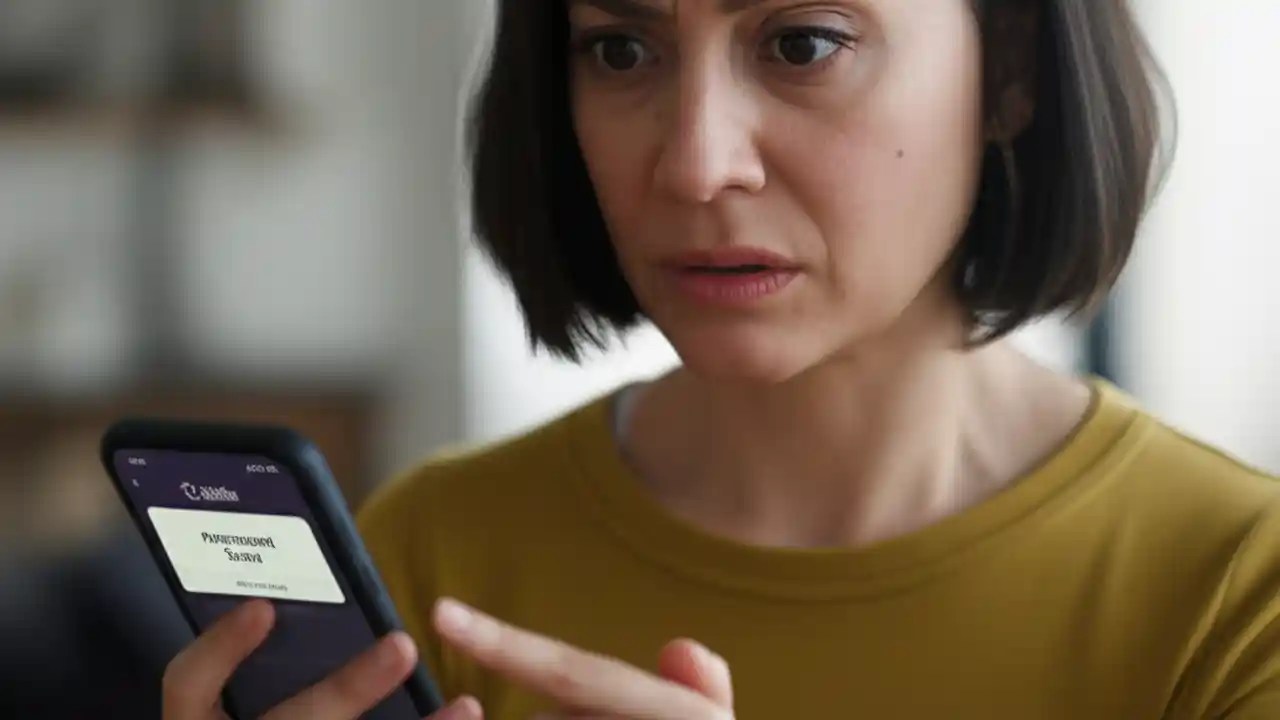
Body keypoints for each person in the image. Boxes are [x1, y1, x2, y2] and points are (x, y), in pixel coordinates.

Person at [161, 0, 1280, 718]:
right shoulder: (432, 559)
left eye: (801, 44)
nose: (695, 163)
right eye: (620, 49)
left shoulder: (1233, 593)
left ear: (1011, 75)